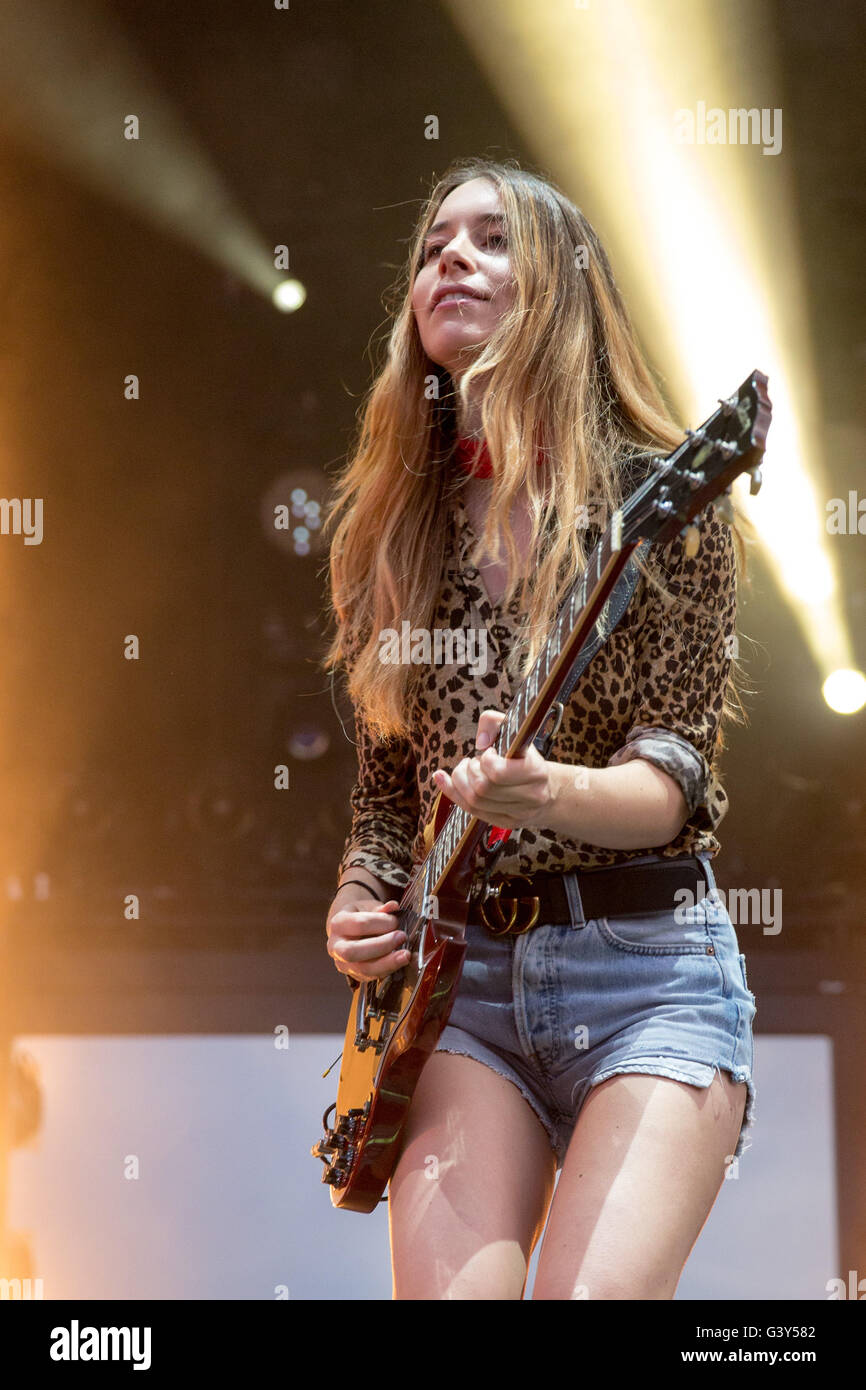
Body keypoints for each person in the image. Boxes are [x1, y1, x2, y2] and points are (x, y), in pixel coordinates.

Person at [321, 156, 757, 1300]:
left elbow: (671, 777)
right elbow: (385, 796)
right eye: (431, 244)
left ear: (559, 285)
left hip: (648, 971)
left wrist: (542, 794)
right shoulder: (391, 531)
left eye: (489, 238)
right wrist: (358, 902)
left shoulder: (663, 506)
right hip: (461, 985)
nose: (448, 257)